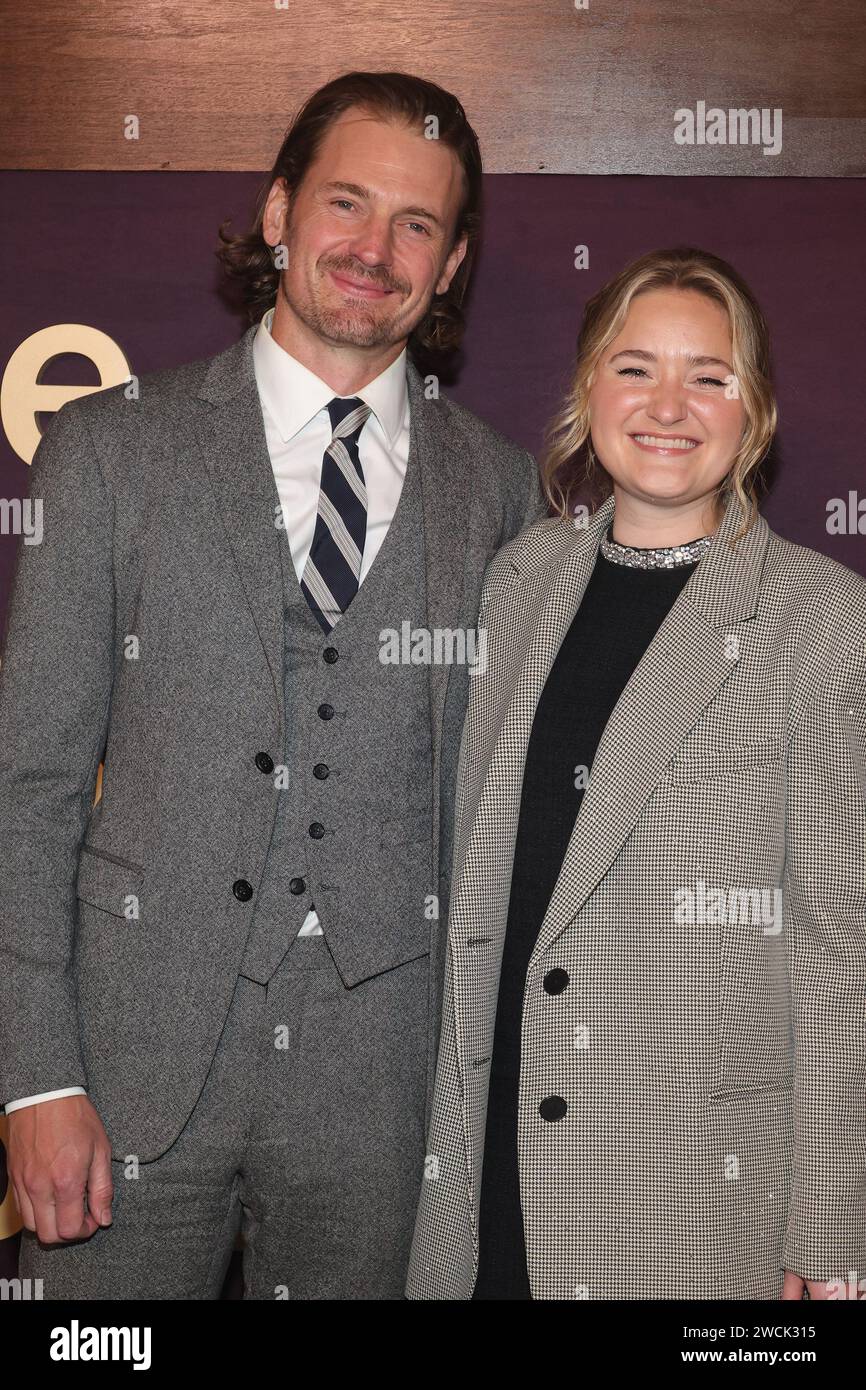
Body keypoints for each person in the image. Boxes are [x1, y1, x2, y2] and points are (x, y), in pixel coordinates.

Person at [0, 70, 544, 1300]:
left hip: (382, 1083)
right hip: (126, 1062)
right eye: (346, 204)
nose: (374, 249)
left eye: (418, 225)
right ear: (278, 212)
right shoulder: (110, 451)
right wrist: (35, 1075)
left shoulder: (503, 492)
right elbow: (24, 787)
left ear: (451, 264)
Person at [407, 246, 866, 1300]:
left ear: (753, 412)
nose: (669, 404)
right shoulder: (514, 583)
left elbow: (843, 956)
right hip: (486, 1175)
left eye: (708, 376)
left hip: (690, 1198)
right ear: (584, 391)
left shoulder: (823, 623)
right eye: (634, 368)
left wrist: (831, 1229)